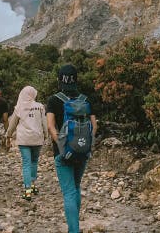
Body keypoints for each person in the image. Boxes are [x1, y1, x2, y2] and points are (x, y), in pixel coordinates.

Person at [46, 65, 97, 233]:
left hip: (62, 153)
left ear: (60, 79)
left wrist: (62, 146)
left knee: (68, 192)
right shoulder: (85, 99)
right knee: (76, 186)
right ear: (76, 79)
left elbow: (51, 127)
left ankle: (74, 230)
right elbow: (94, 126)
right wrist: (86, 145)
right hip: (82, 151)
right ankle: (75, 226)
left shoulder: (54, 100)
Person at [5, 85, 48, 201]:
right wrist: (46, 134)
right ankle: (33, 185)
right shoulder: (40, 107)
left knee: (26, 163)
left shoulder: (19, 107)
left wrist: (8, 135)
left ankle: (27, 190)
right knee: (34, 162)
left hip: (24, 139)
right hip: (37, 138)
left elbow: (13, 123)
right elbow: (44, 122)